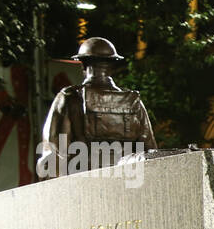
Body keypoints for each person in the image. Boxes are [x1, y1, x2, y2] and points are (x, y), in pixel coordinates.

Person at [37, 37, 157, 179]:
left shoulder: (70, 98)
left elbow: (53, 154)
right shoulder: (133, 102)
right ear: (113, 66)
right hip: (126, 186)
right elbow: (151, 153)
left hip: (84, 188)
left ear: (83, 65)